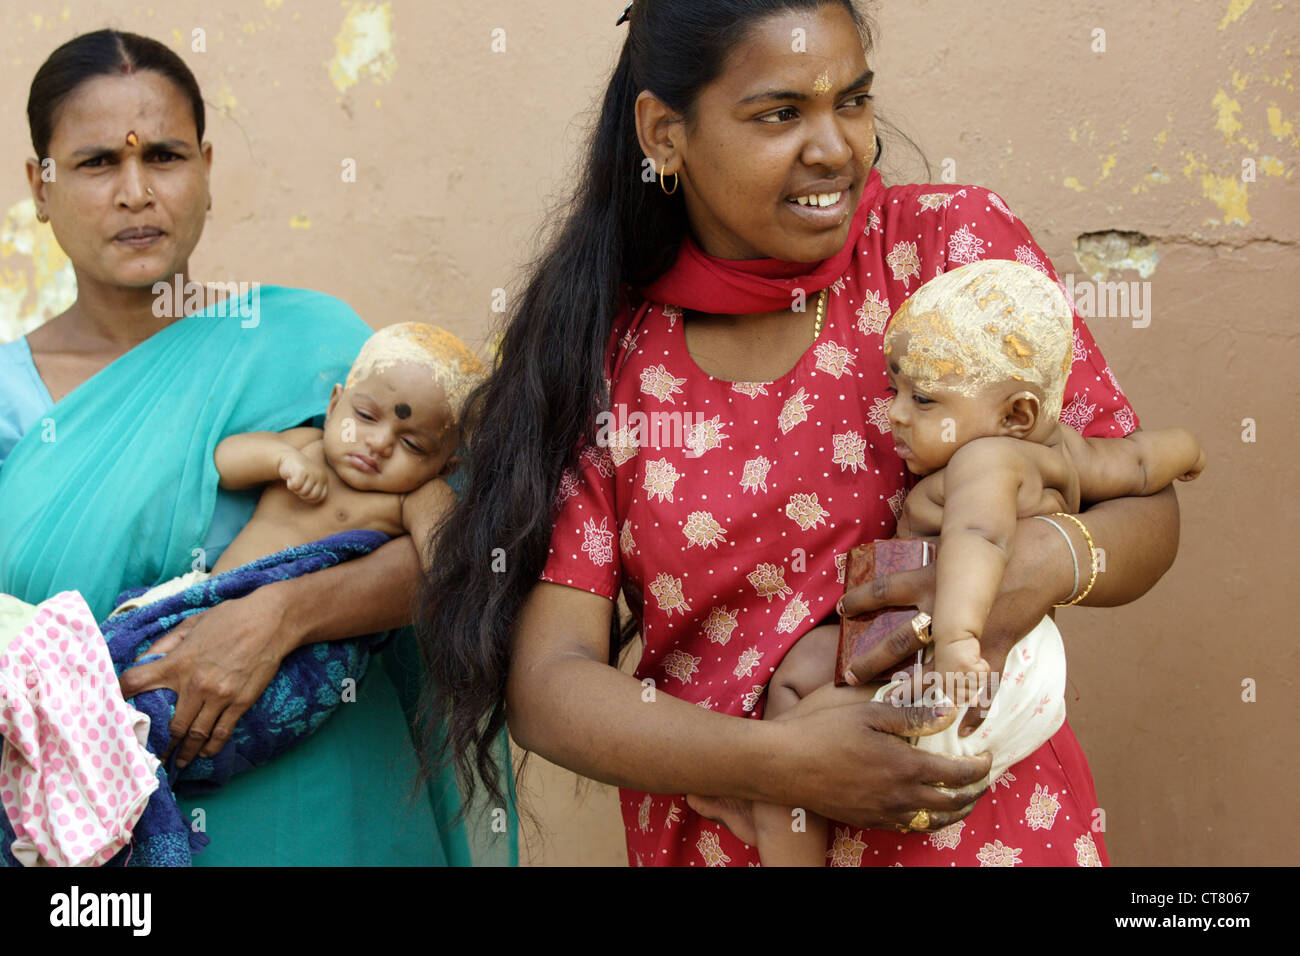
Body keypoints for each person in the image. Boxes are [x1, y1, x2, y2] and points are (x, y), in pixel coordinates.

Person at [419, 0, 1180, 867]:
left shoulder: (946, 251)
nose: (836, 147)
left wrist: (1030, 564)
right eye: (781, 113)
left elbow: (1147, 511)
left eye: (851, 102)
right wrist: (788, 766)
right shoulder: (608, 355)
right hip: (729, 843)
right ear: (664, 133)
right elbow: (550, 686)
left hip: (995, 837)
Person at [0, 29, 514, 866]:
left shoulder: (307, 344)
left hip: (322, 813)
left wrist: (277, 617)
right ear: (41, 184)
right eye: (97, 163)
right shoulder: (8, 398)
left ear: (204, 168)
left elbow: (451, 555)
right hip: (83, 830)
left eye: (164, 156)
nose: (136, 193)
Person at [748, 258, 1206, 866]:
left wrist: (958, 641)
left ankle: (779, 834)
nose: (897, 414)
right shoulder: (1071, 452)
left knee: (793, 729)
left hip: (967, 664)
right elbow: (1145, 462)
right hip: (1031, 664)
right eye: (894, 389)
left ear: (1015, 415)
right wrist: (1192, 452)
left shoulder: (984, 463)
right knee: (807, 697)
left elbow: (979, 539)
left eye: (924, 397)